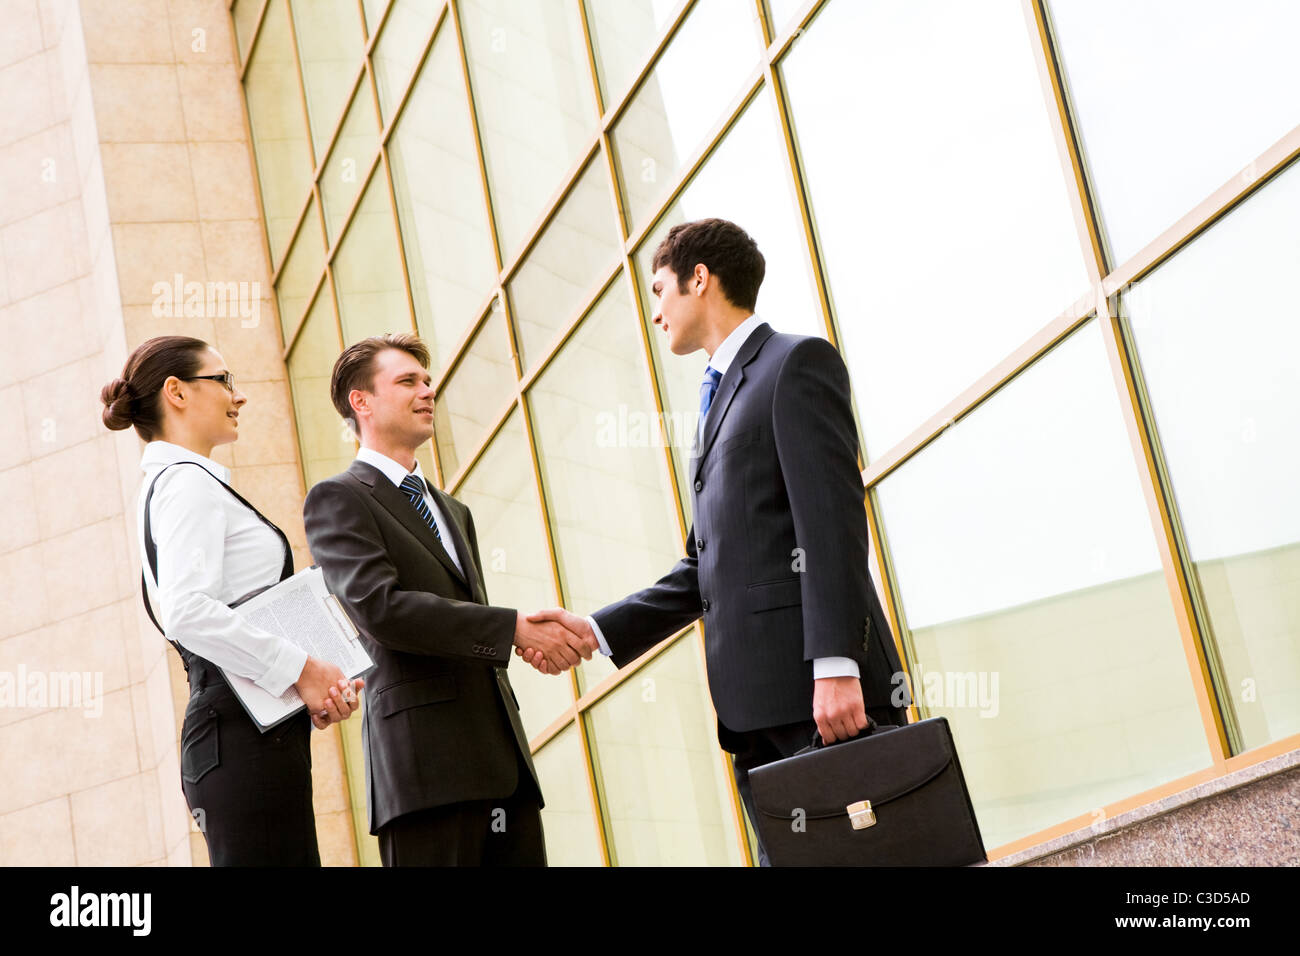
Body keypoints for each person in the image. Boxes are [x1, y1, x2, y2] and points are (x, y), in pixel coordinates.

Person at [522, 218, 908, 866]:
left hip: (819, 699)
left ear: (699, 279)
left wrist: (837, 664)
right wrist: (594, 629)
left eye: (658, 291)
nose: (655, 313)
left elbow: (831, 520)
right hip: (755, 712)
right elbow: (705, 568)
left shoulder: (794, 364)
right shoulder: (715, 402)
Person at [301, 332, 594, 866]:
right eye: (408, 381)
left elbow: (464, 626)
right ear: (360, 402)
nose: (427, 391)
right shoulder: (337, 498)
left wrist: (519, 638)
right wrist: (513, 630)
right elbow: (381, 610)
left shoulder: (454, 511)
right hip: (424, 774)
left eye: (428, 381)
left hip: (504, 768)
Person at [101, 335, 362, 866]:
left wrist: (306, 682)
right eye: (223, 380)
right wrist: (300, 667)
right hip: (241, 740)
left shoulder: (173, 485)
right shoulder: (186, 485)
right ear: (176, 392)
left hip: (245, 733)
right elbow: (187, 611)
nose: (238, 395)